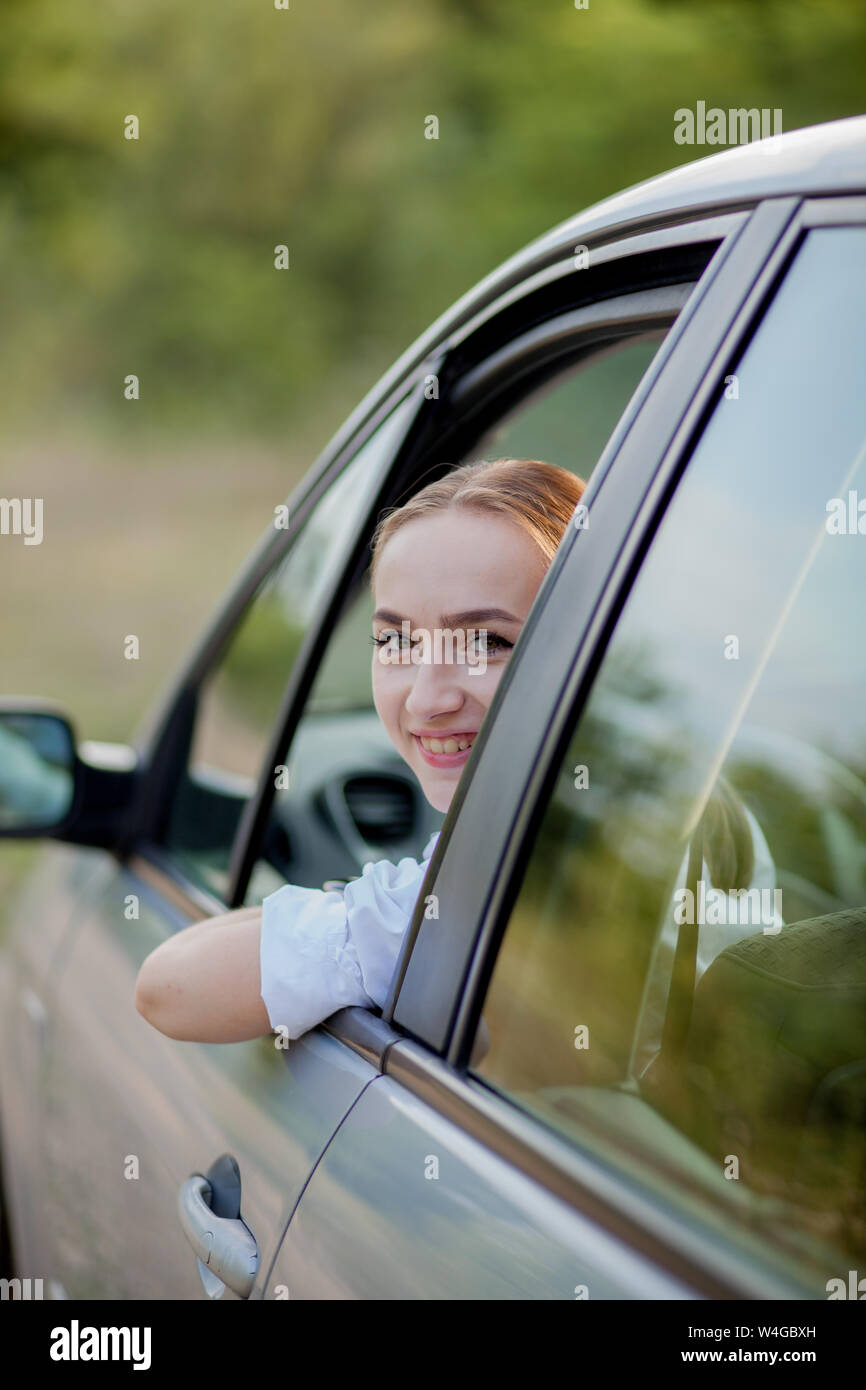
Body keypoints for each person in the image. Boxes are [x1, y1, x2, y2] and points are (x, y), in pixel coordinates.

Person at [134, 457, 587, 1046]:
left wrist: (363, 914)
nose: (427, 699)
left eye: (487, 641)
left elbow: (167, 988)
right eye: (396, 640)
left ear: (585, 646)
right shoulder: (707, 812)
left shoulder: (457, 901)